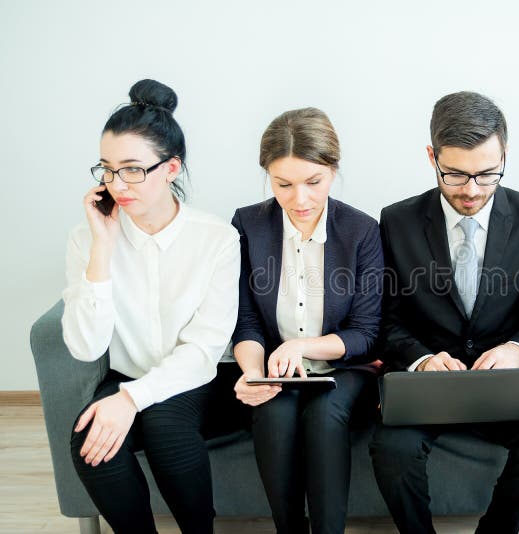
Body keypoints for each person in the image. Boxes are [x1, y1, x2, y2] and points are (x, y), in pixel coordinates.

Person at [369, 91, 519, 534]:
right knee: (391, 448)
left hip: (506, 384)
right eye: (455, 174)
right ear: (431, 156)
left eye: (487, 174)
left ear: (504, 155)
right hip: (428, 384)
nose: (472, 190)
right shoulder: (396, 221)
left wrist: (517, 349)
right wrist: (421, 359)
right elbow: (389, 319)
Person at [62, 79, 240, 533]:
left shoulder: (217, 239)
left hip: (201, 382)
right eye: (106, 169)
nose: (117, 184)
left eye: (133, 169)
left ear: (172, 168)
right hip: (130, 374)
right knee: (89, 438)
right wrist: (102, 249)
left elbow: (203, 351)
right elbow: (85, 348)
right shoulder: (88, 238)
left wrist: (130, 398)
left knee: (166, 426)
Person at [231, 107, 383, 534]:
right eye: (284, 184)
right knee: (274, 416)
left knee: (324, 415)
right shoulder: (247, 225)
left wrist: (301, 347)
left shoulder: (361, 231)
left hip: (343, 368)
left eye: (313, 182)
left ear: (333, 171)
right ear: (268, 177)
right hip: (273, 368)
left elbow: (365, 334)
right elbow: (245, 321)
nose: (300, 200)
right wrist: (253, 374)